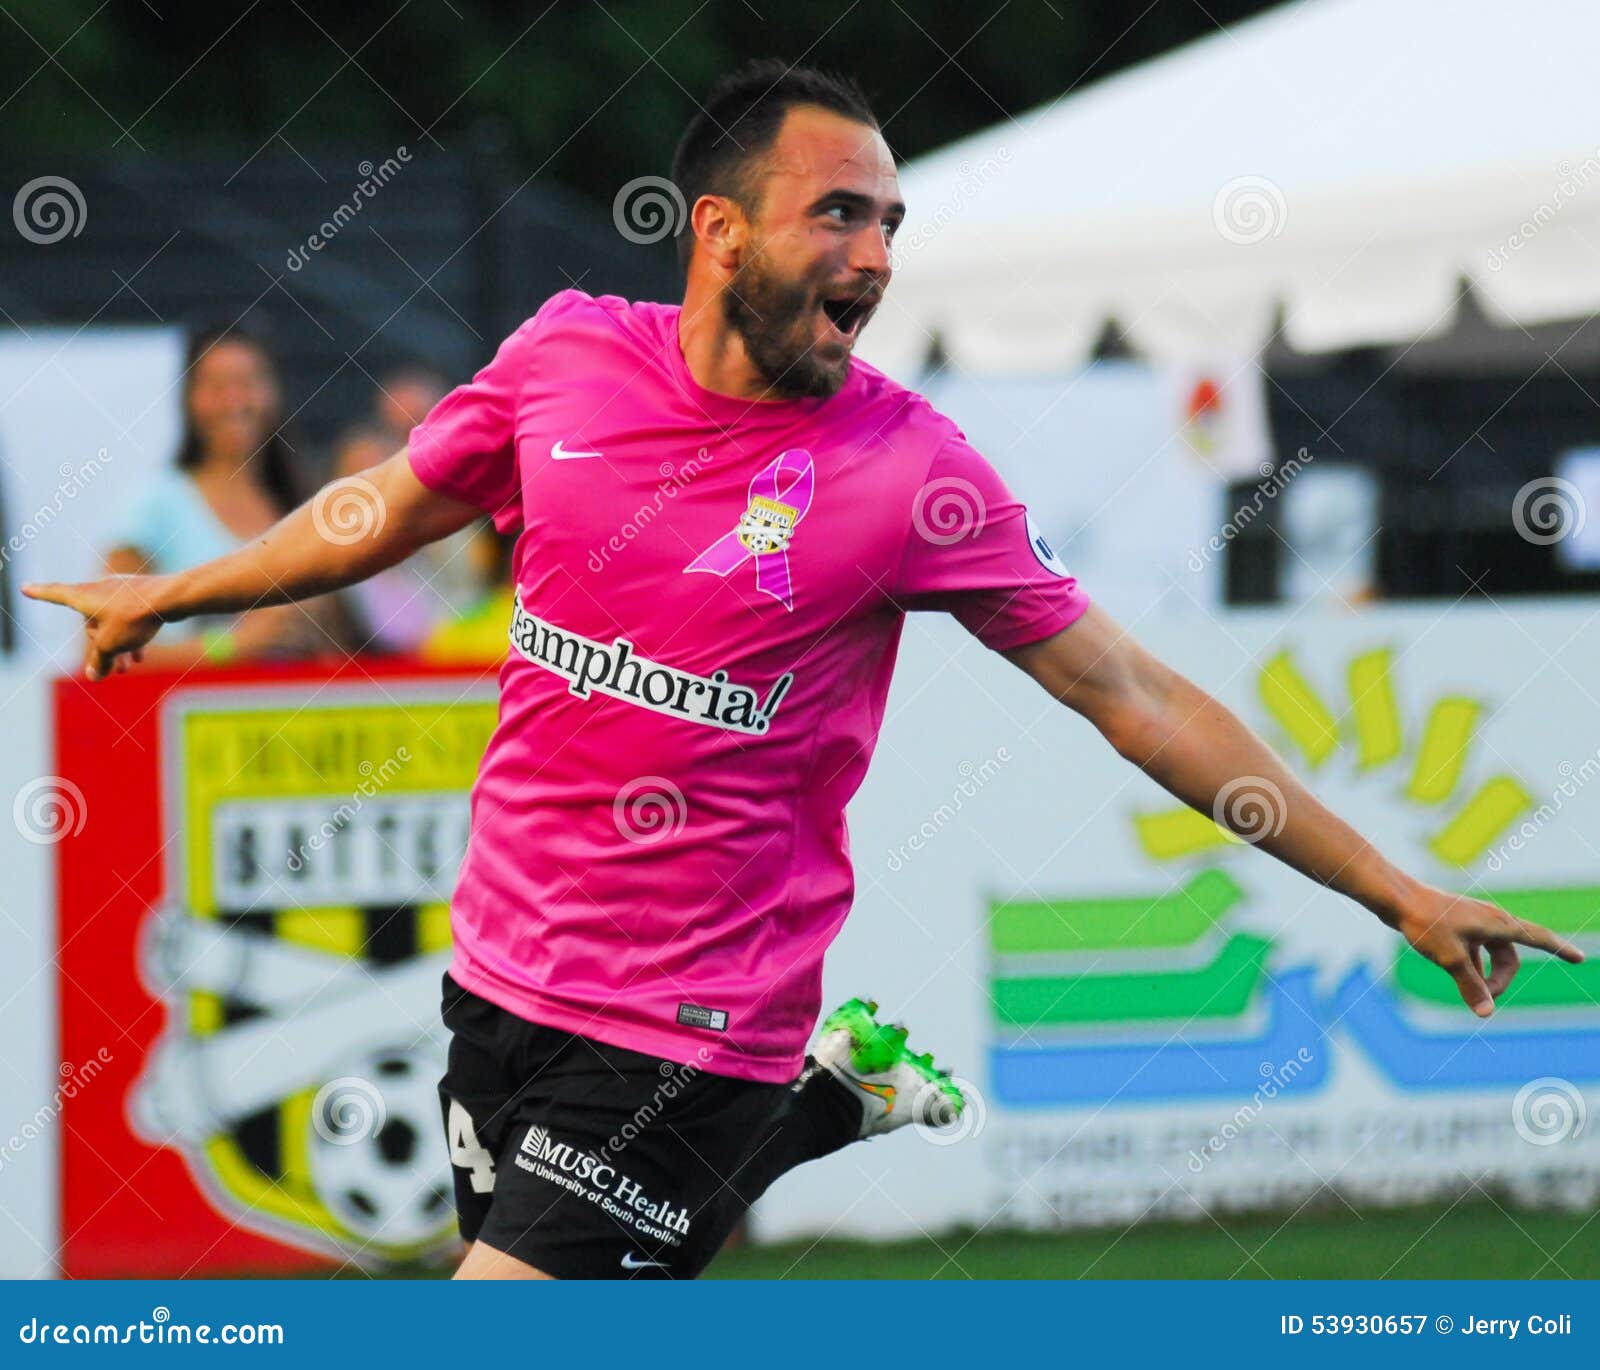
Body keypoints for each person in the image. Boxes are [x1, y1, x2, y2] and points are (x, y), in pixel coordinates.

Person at [26, 61, 1583, 1281]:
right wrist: (180, 586)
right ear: (718, 230)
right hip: (498, 976)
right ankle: (819, 1111)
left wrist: (1391, 887)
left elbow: (1136, 694)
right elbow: (384, 508)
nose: (876, 253)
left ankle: (778, 1104)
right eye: (839, 212)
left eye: (893, 222)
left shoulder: (909, 472)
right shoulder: (565, 356)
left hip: (689, 1029)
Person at [102, 324, 357, 668]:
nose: (235, 401)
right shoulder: (155, 506)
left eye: (249, 383)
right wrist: (232, 644)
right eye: (217, 386)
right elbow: (107, 650)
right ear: (190, 398)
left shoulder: (301, 503)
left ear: (274, 393)